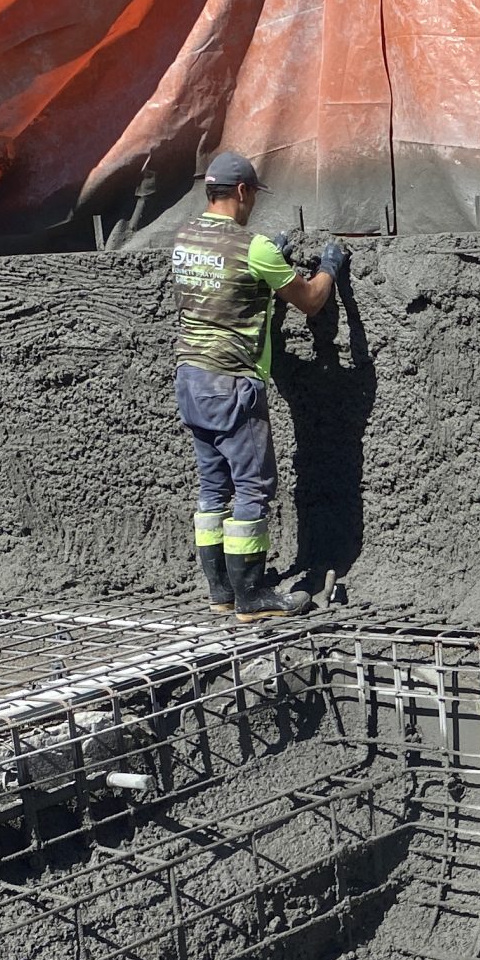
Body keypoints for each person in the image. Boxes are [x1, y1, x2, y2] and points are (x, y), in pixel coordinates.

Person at [170, 150, 352, 621]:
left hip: (191, 379)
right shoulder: (254, 249)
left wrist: (270, 263)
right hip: (231, 383)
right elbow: (310, 301)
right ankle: (252, 597)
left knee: (213, 487)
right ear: (243, 192)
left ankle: (221, 591)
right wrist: (329, 268)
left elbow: (224, 291)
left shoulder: (184, 240)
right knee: (252, 487)